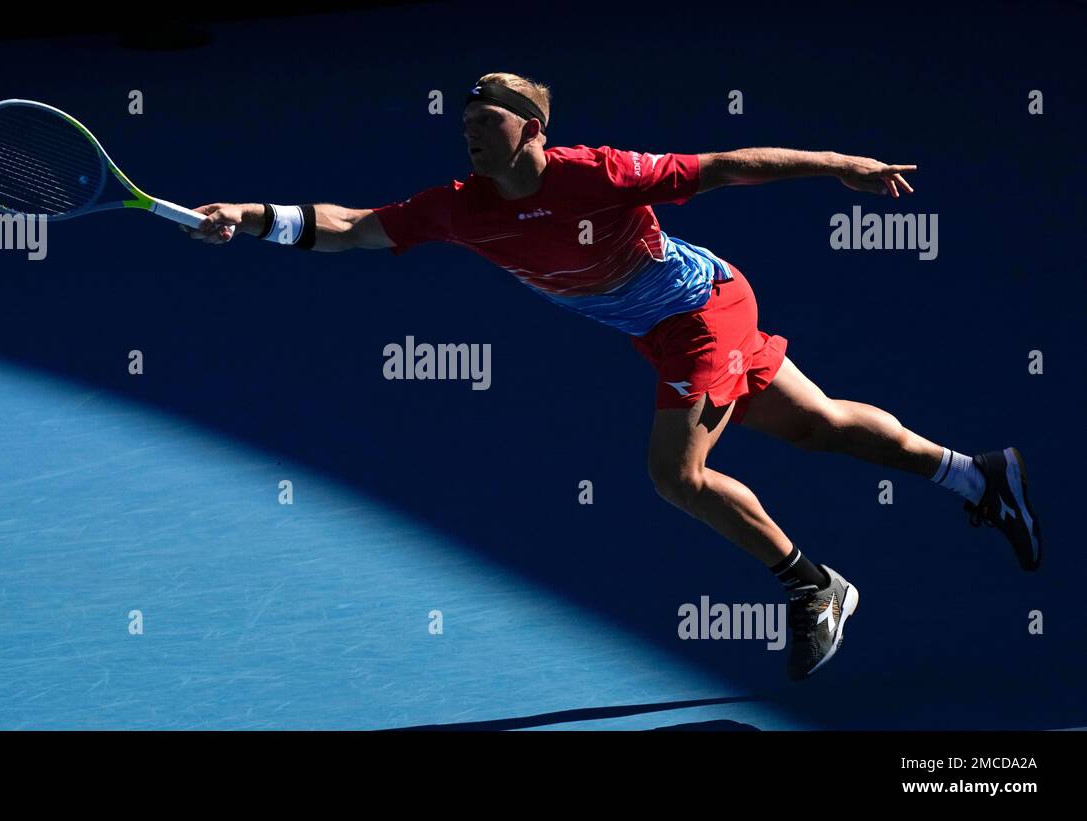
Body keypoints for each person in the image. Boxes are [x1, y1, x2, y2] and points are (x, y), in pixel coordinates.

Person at [182, 72, 1042, 680]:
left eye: (487, 121)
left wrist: (838, 162)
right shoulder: (455, 206)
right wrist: (251, 218)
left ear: (531, 130)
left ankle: (813, 583)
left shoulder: (595, 173)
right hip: (667, 329)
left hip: (702, 316)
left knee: (676, 475)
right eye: (466, 124)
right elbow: (353, 226)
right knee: (815, 425)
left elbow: (724, 165)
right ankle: (977, 475)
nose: (471, 132)